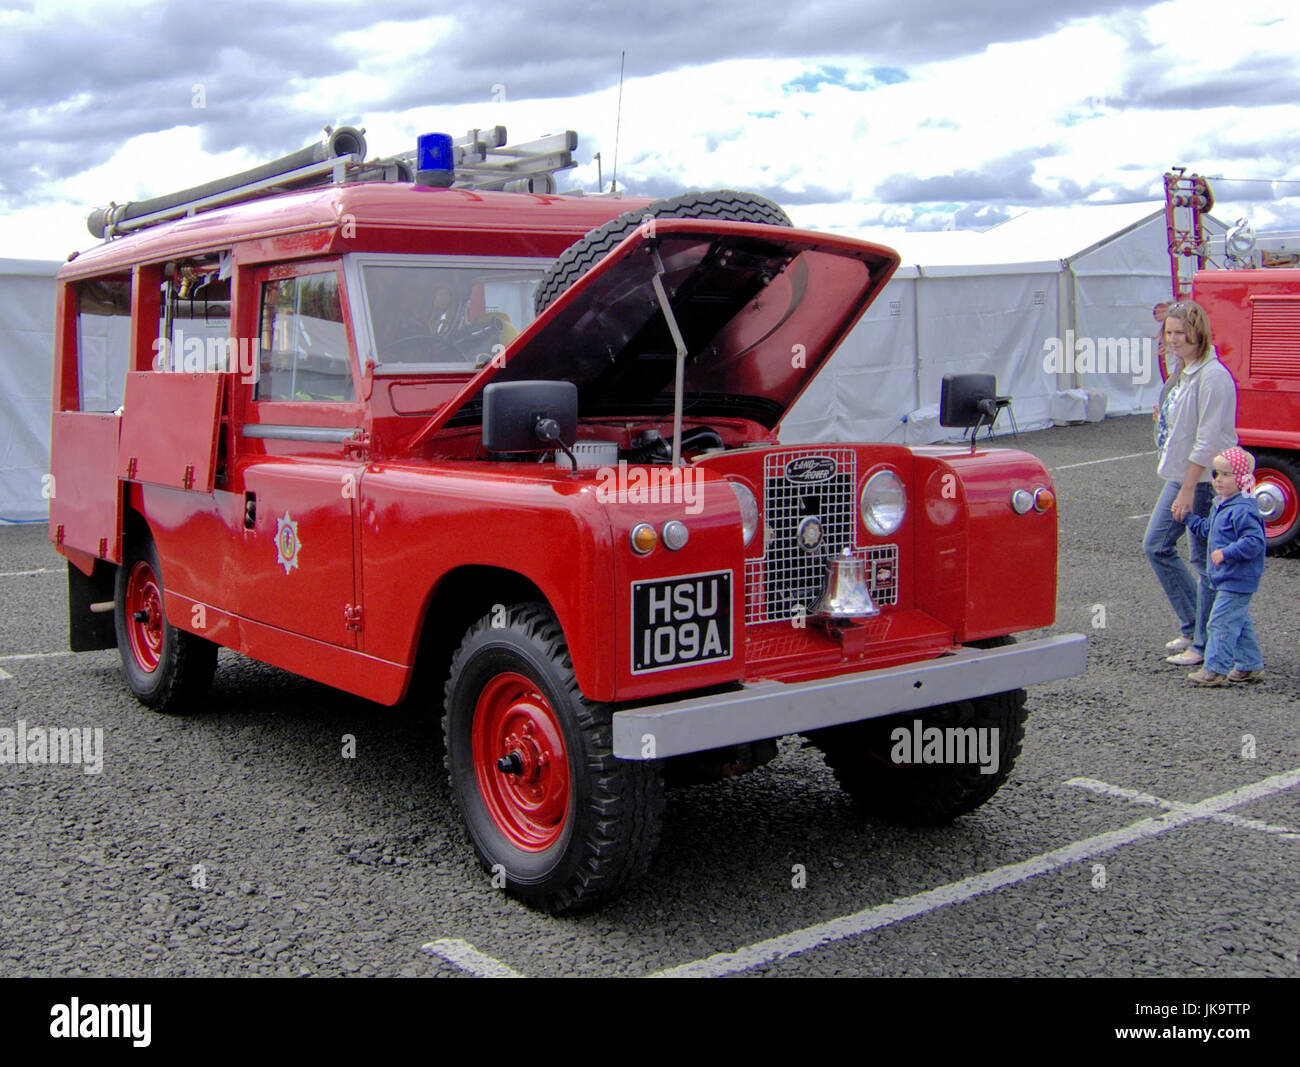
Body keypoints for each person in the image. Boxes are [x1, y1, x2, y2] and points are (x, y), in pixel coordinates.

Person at [1143, 301, 1238, 666]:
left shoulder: (1212, 376)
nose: (1173, 339)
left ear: (1199, 333)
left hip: (1200, 479)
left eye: (1181, 332)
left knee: (1201, 558)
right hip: (1183, 474)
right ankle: (1195, 627)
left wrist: (1187, 488)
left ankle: (1203, 643)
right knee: (1158, 546)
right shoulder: (1185, 372)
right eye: (1169, 332)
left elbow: (1208, 439)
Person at [1180, 448, 1265, 685]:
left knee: (1220, 622)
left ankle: (1215, 669)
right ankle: (1249, 665)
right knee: (1237, 620)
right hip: (1228, 577)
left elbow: (1255, 542)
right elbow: (1209, 530)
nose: (1218, 479)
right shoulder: (1223, 504)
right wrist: (1188, 519)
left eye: (1226, 475)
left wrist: (1226, 553)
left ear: (1241, 478)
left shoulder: (1242, 509)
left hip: (1237, 577)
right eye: (1216, 473)